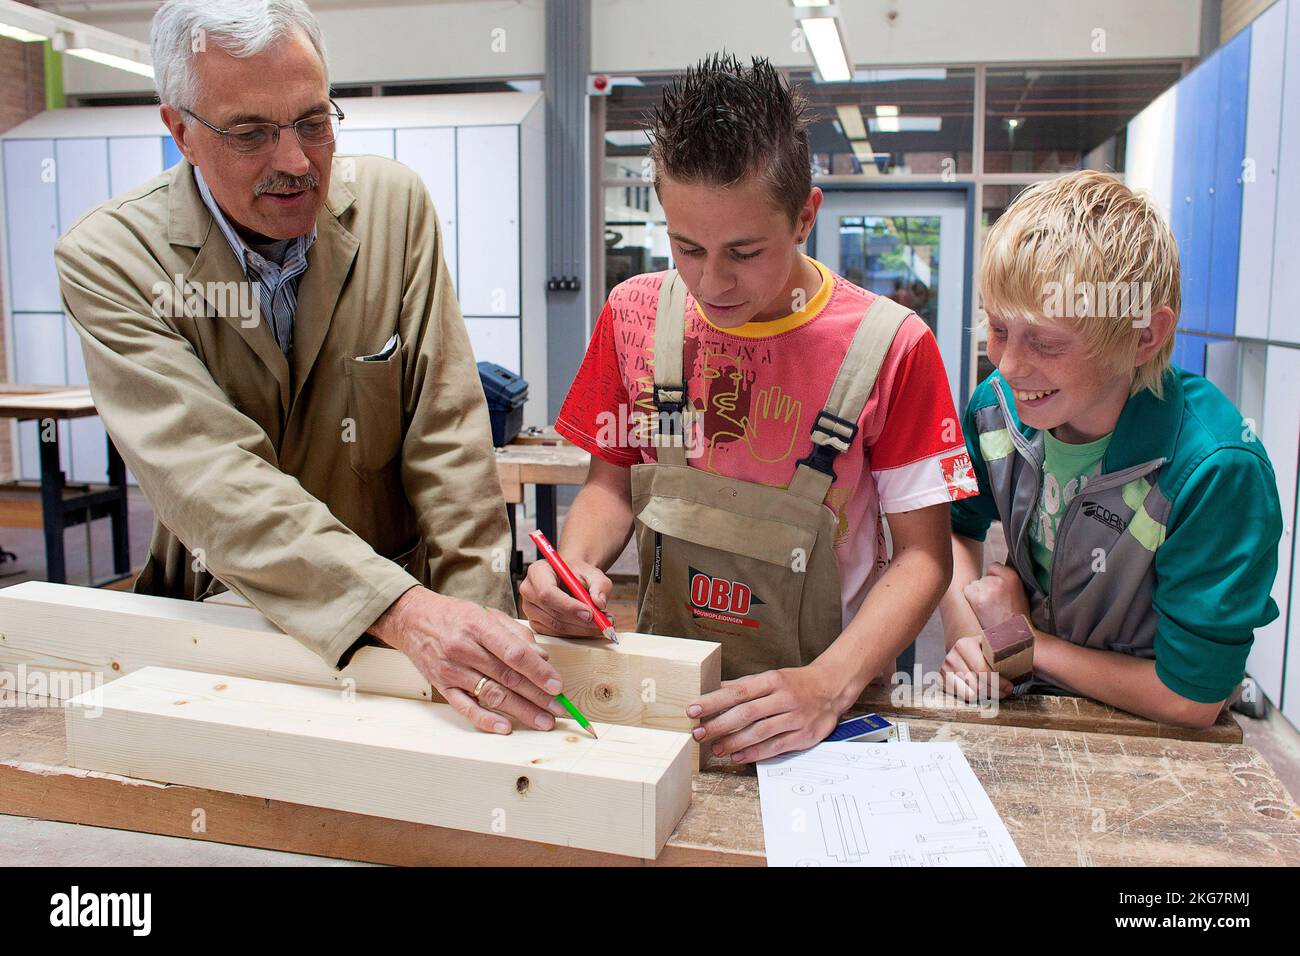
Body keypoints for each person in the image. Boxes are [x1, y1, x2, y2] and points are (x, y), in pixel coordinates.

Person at [54, 0, 569, 736]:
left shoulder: (394, 211)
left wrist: (482, 630)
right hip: (224, 617)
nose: (295, 162)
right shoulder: (112, 260)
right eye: (251, 133)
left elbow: (449, 440)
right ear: (181, 133)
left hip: (402, 640)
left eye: (312, 121)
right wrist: (402, 611)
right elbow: (211, 480)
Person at [521, 55, 975, 763]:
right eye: (686, 247)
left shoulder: (893, 347)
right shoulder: (634, 315)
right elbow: (611, 485)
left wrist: (825, 686)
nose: (712, 282)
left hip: (827, 715)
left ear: (805, 215)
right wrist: (571, 569)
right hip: (665, 697)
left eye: (744, 251)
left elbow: (924, 558)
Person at [938, 170, 1282, 728]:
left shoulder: (1216, 469)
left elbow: (1190, 698)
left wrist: (1023, 643)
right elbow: (954, 524)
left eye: (1046, 342)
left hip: (1153, 735)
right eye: (998, 329)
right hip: (1028, 706)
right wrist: (969, 636)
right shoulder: (993, 409)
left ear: (1144, 334)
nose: (1008, 366)